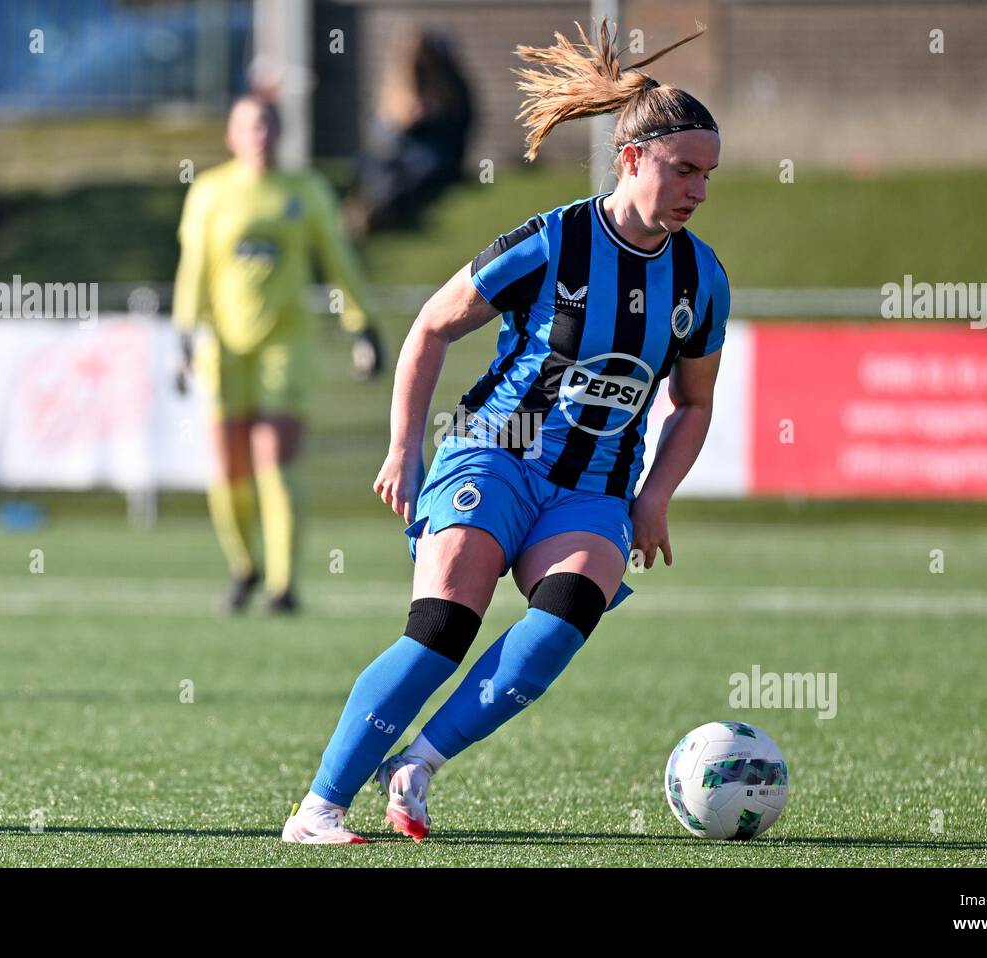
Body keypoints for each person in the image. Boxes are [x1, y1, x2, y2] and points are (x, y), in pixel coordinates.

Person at [282, 19, 726, 843]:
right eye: (683, 169)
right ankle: (318, 809)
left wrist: (655, 497)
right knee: (445, 627)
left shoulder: (703, 278)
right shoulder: (552, 241)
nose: (698, 189)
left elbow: (692, 404)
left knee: (561, 622)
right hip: (496, 451)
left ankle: (418, 765)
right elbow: (430, 327)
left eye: (708, 174)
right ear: (631, 159)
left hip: (594, 487)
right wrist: (403, 448)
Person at [173, 94, 384, 615]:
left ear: (280, 133)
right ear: (232, 135)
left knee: (275, 462)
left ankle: (284, 586)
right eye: (250, 125)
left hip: (284, 343)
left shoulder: (305, 191)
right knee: (229, 471)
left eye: (268, 125)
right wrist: (184, 331)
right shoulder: (209, 192)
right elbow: (194, 266)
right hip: (223, 345)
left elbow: (338, 260)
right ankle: (245, 566)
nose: (260, 135)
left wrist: (363, 325)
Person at [345, 29, 476, 235]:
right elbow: (393, 118)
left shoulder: (448, 83)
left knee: (410, 170)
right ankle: (373, 209)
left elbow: (447, 120)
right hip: (407, 147)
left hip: (434, 149)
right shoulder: (404, 79)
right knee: (377, 164)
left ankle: (379, 212)